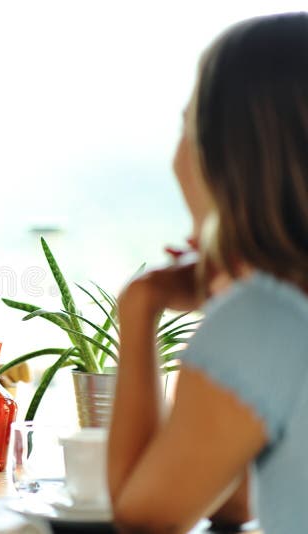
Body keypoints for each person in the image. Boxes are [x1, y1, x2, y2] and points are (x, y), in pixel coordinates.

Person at [108, 12, 308, 534]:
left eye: (187, 124)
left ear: (225, 154)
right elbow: (236, 502)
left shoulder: (265, 319)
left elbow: (144, 518)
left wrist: (140, 304)